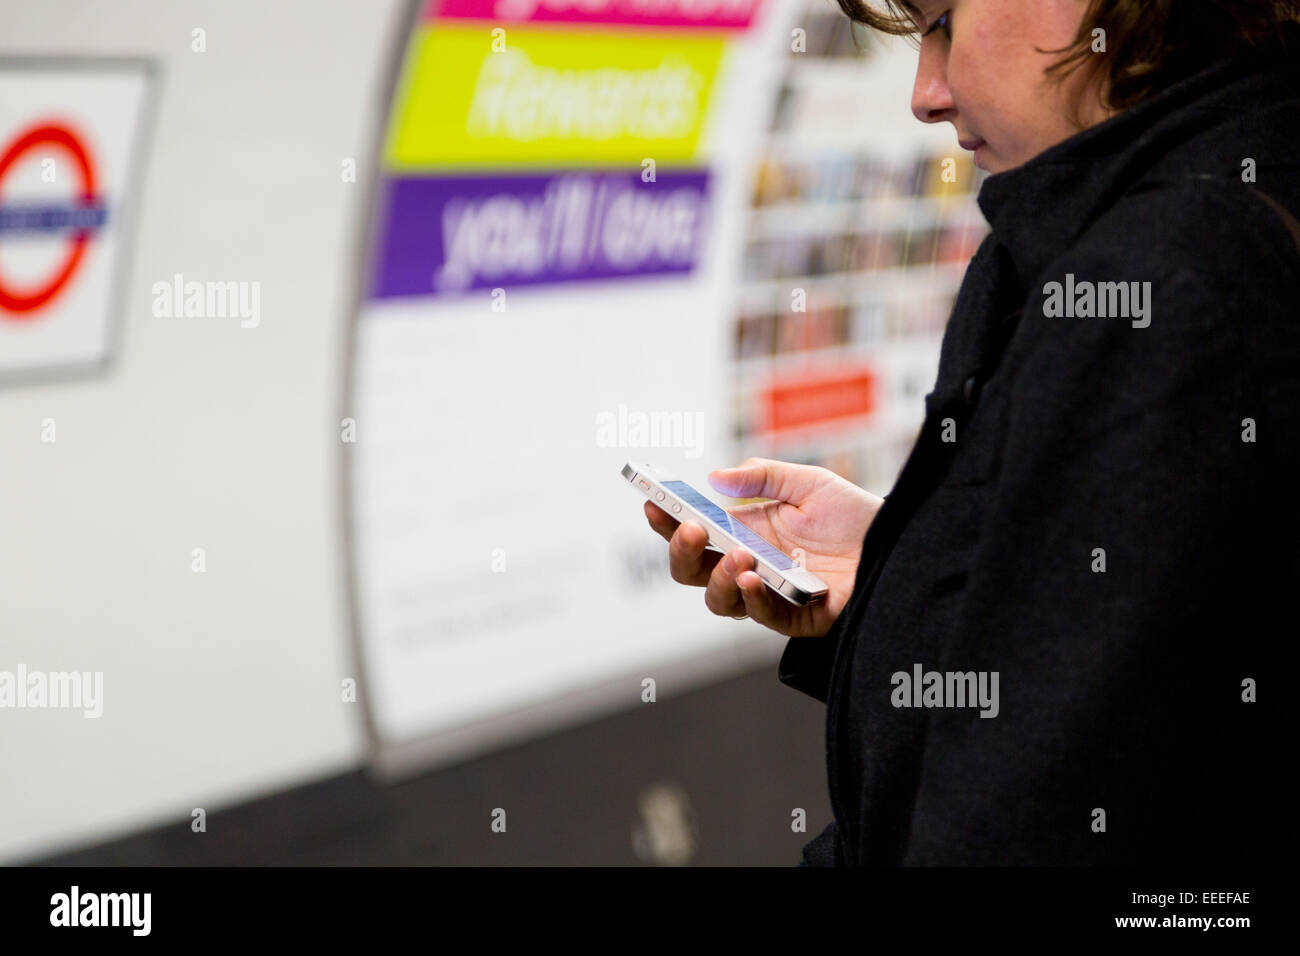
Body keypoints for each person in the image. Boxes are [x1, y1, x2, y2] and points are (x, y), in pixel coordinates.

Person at [644, 0, 1299, 865]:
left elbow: (1021, 817)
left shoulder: (1159, 284)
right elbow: (1137, 675)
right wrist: (906, 570)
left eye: (944, 22)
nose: (926, 92)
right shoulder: (1238, 189)